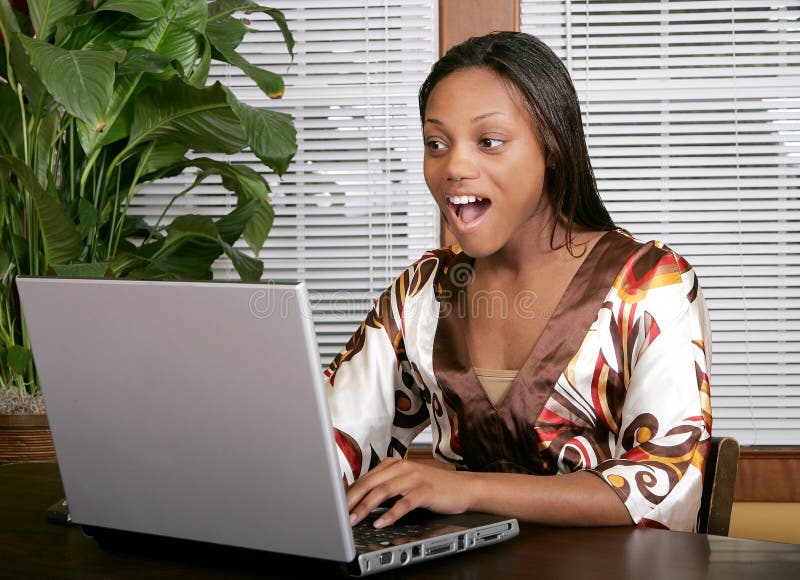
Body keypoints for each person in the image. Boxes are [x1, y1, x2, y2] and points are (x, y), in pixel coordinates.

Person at [324, 32, 712, 533]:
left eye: (489, 142)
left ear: (552, 146)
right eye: (436, 144)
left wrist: (467, 488)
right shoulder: (420, 292)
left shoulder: (649, 284)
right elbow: (328, 448)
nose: (454, 168)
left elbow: (665, 486)